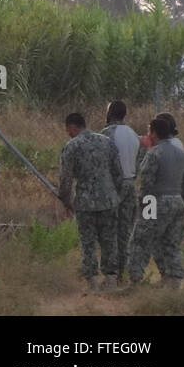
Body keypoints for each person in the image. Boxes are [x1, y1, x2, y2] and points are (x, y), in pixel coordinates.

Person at [58, 112, 123, 292]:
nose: (67, 133)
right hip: (109, 200)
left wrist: (66, 200)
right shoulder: (106, 141)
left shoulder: (72, 146)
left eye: (67, 129)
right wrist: (114, 194)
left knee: (88, 242)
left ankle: (92, 282)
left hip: (86, 202)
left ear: (72, 127)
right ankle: (111, 280)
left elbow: (66, 179)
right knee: (109, 240)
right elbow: (118, 173)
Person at [127, 116, 184, 289]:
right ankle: (174, 282)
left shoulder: (154, 153)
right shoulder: (181, 153)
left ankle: (134, 281)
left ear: (154, 133)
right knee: (172, 243)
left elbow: (146, 184)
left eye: (149, 130)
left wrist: (143, 208)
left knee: (140, 240)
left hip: (155, 202)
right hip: (178, 202)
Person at [98, 100, 140, 281]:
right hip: (130, 185)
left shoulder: (106, 134)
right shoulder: (133, 134)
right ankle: (125, 272)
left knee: (109, 230)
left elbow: (101, 164)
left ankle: (110, 275)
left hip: (113, 186)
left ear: (110, 113)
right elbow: (139, 163)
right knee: (125, 230)